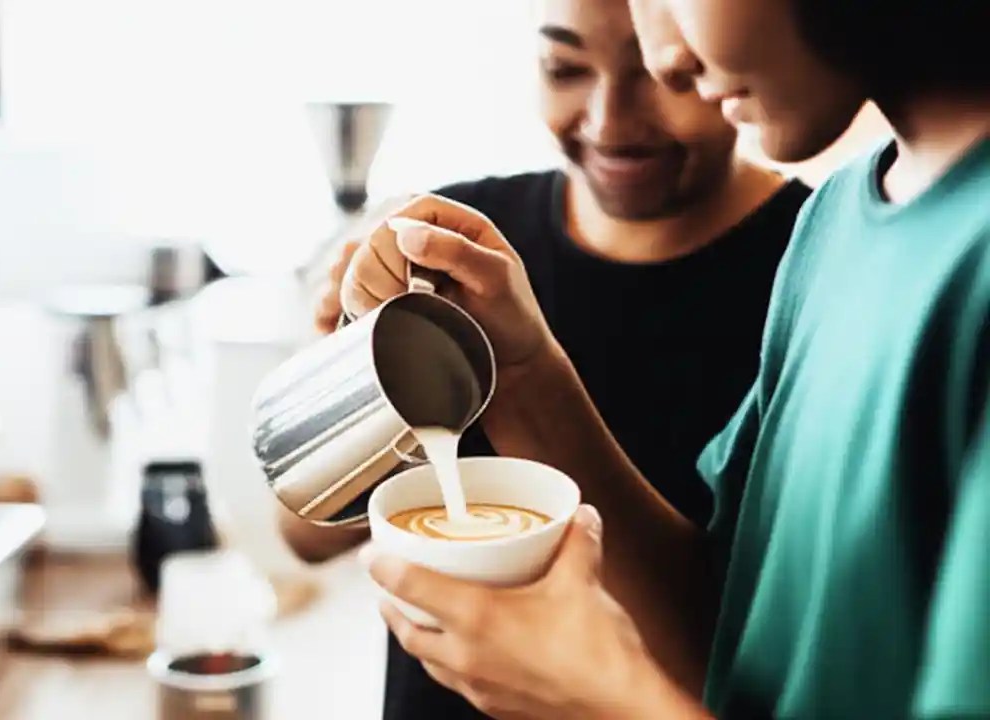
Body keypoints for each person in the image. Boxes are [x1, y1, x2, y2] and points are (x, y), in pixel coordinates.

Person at [352, 0, 990, 717]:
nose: (667, 55)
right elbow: (724, 623)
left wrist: (601, 699)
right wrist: (520, 372)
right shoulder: (838, 215)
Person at [280, 0, 810, 716]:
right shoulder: (462, 245)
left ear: (713, 59)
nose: (610, 121)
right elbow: (304, 533)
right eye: (564, 69)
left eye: (662, 74)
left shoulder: (807, 268)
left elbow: (733, 651)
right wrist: (343, 377)